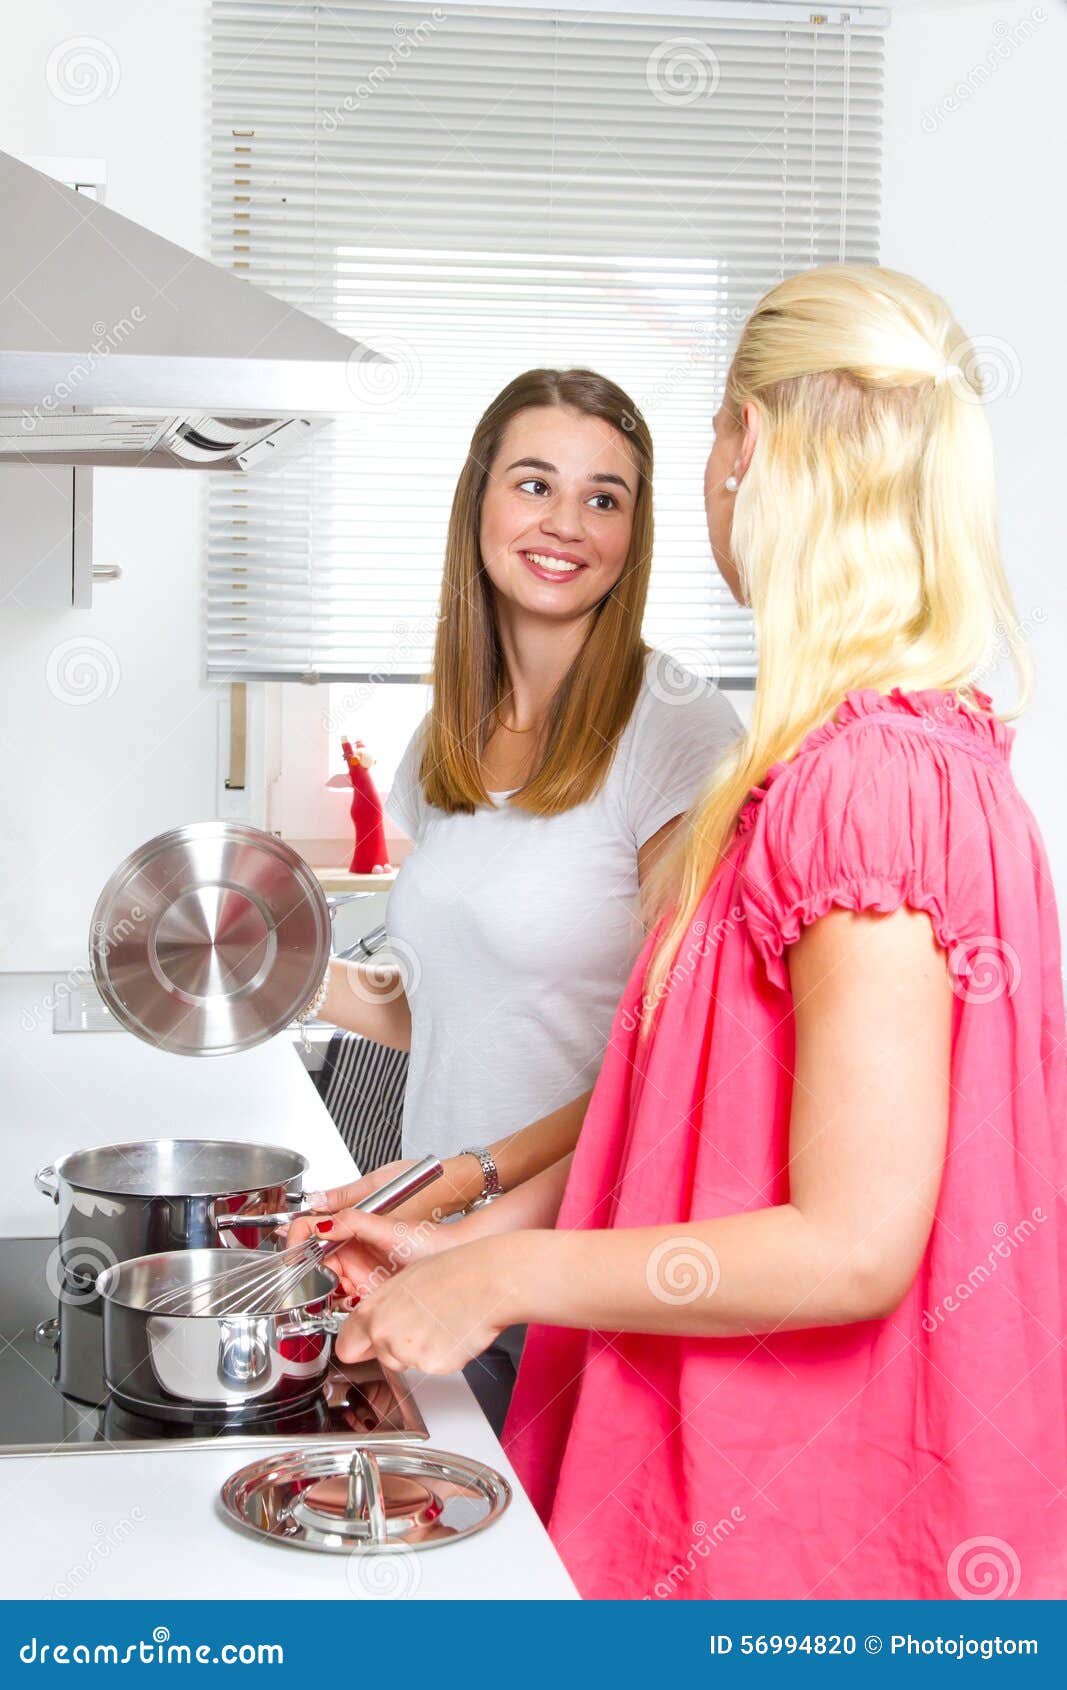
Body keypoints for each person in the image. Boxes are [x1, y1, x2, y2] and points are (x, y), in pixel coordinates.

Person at [316, 265, 1067, 1601]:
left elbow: (851, 1243)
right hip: (736, 1492)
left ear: (746, 448)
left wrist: (507, 1276)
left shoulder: (869, 786)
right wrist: (475, 1247)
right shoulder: (850, 764)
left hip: (797, 1532)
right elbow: (684, 1123)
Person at [296, 367, 741, 1427]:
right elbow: (450, 1001)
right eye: (533, 484)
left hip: (577, 1254)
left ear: (634, 535)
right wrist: (268, 975)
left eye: (604, 497)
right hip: (440, 1250)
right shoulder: (444, 734)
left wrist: (470, 1180)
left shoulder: (675, 731)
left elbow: (675, 1055)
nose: (565, 524)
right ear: (478, 500)